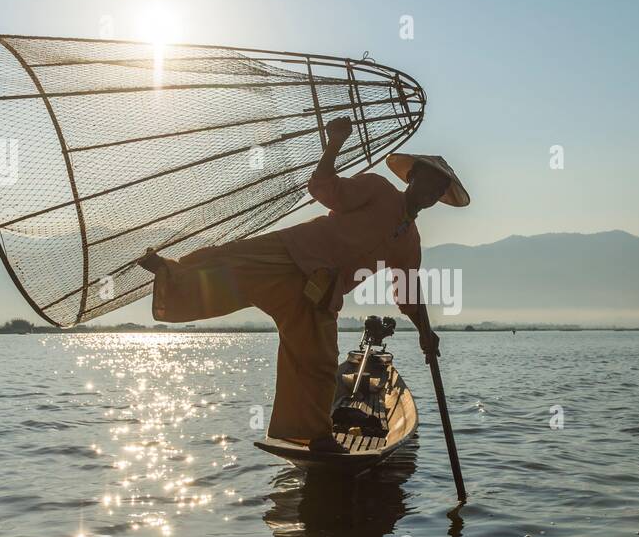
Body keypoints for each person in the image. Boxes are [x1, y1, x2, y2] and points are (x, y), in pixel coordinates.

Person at [138, 116, 469, 452]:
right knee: (231, 261)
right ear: (412, 178)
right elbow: (325, 187)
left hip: (322, 291)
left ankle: (315, 435)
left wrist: (426, 332)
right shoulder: (378, 189)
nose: (431, 192)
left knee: (320, 362)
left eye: (438, 190)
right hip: (296, 251)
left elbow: (410, 295)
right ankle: (169, 270)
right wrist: (335, 143)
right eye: (428, 182)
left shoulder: (409, 242)